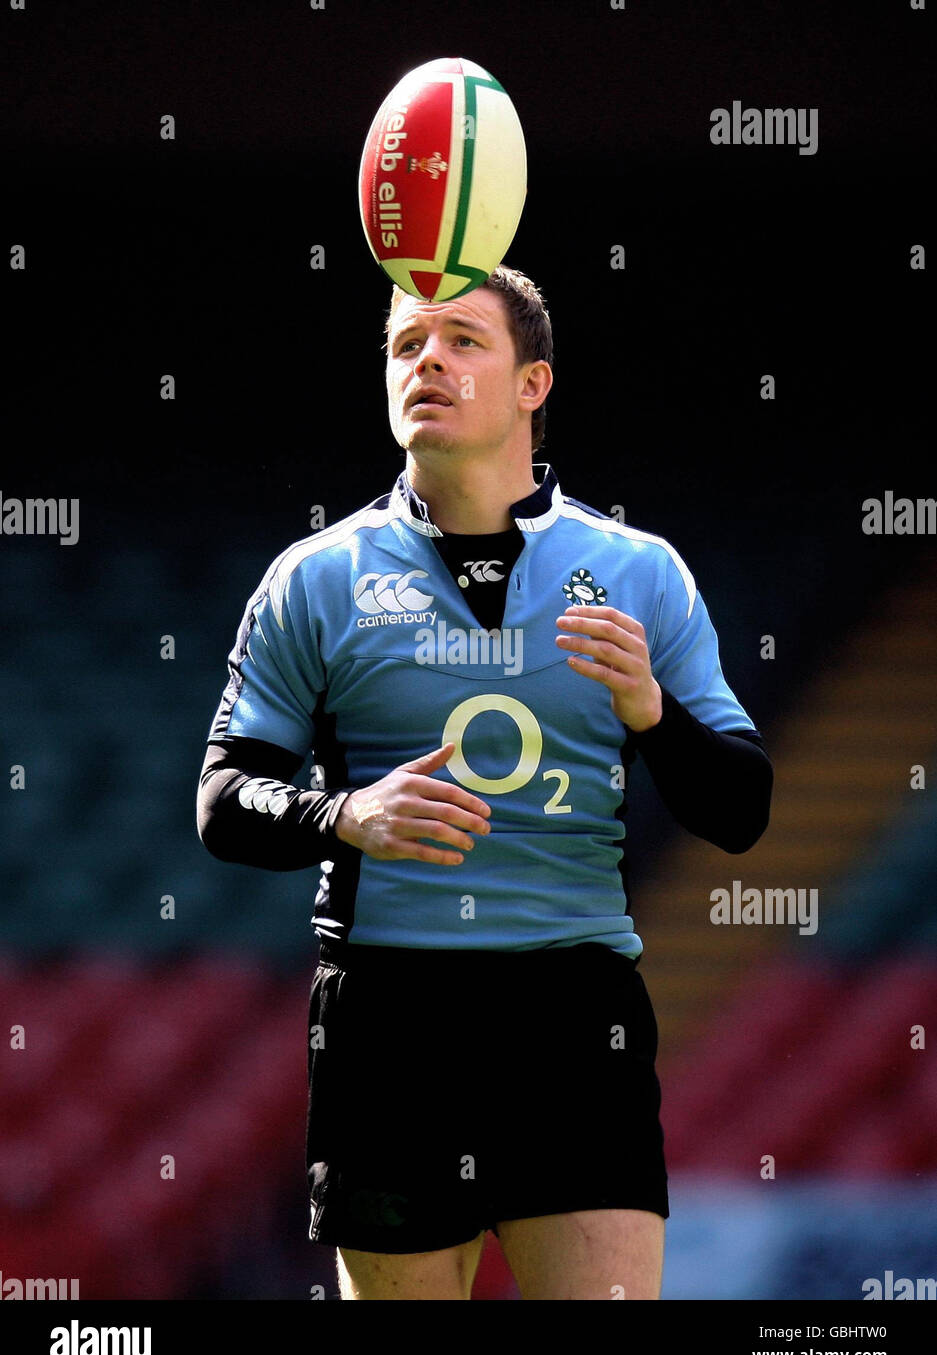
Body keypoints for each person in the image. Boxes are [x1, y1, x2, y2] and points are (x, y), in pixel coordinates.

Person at [196, 264, 772, 1300]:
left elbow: (739, 810)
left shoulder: (638, 571)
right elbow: (223, 800)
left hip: (572, 1021)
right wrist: (344, 814)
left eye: (463, 340)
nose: (429, 361)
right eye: (406, 344)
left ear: (532, 384)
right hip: (389, 1021)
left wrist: (652, 713)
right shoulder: (316, 577)